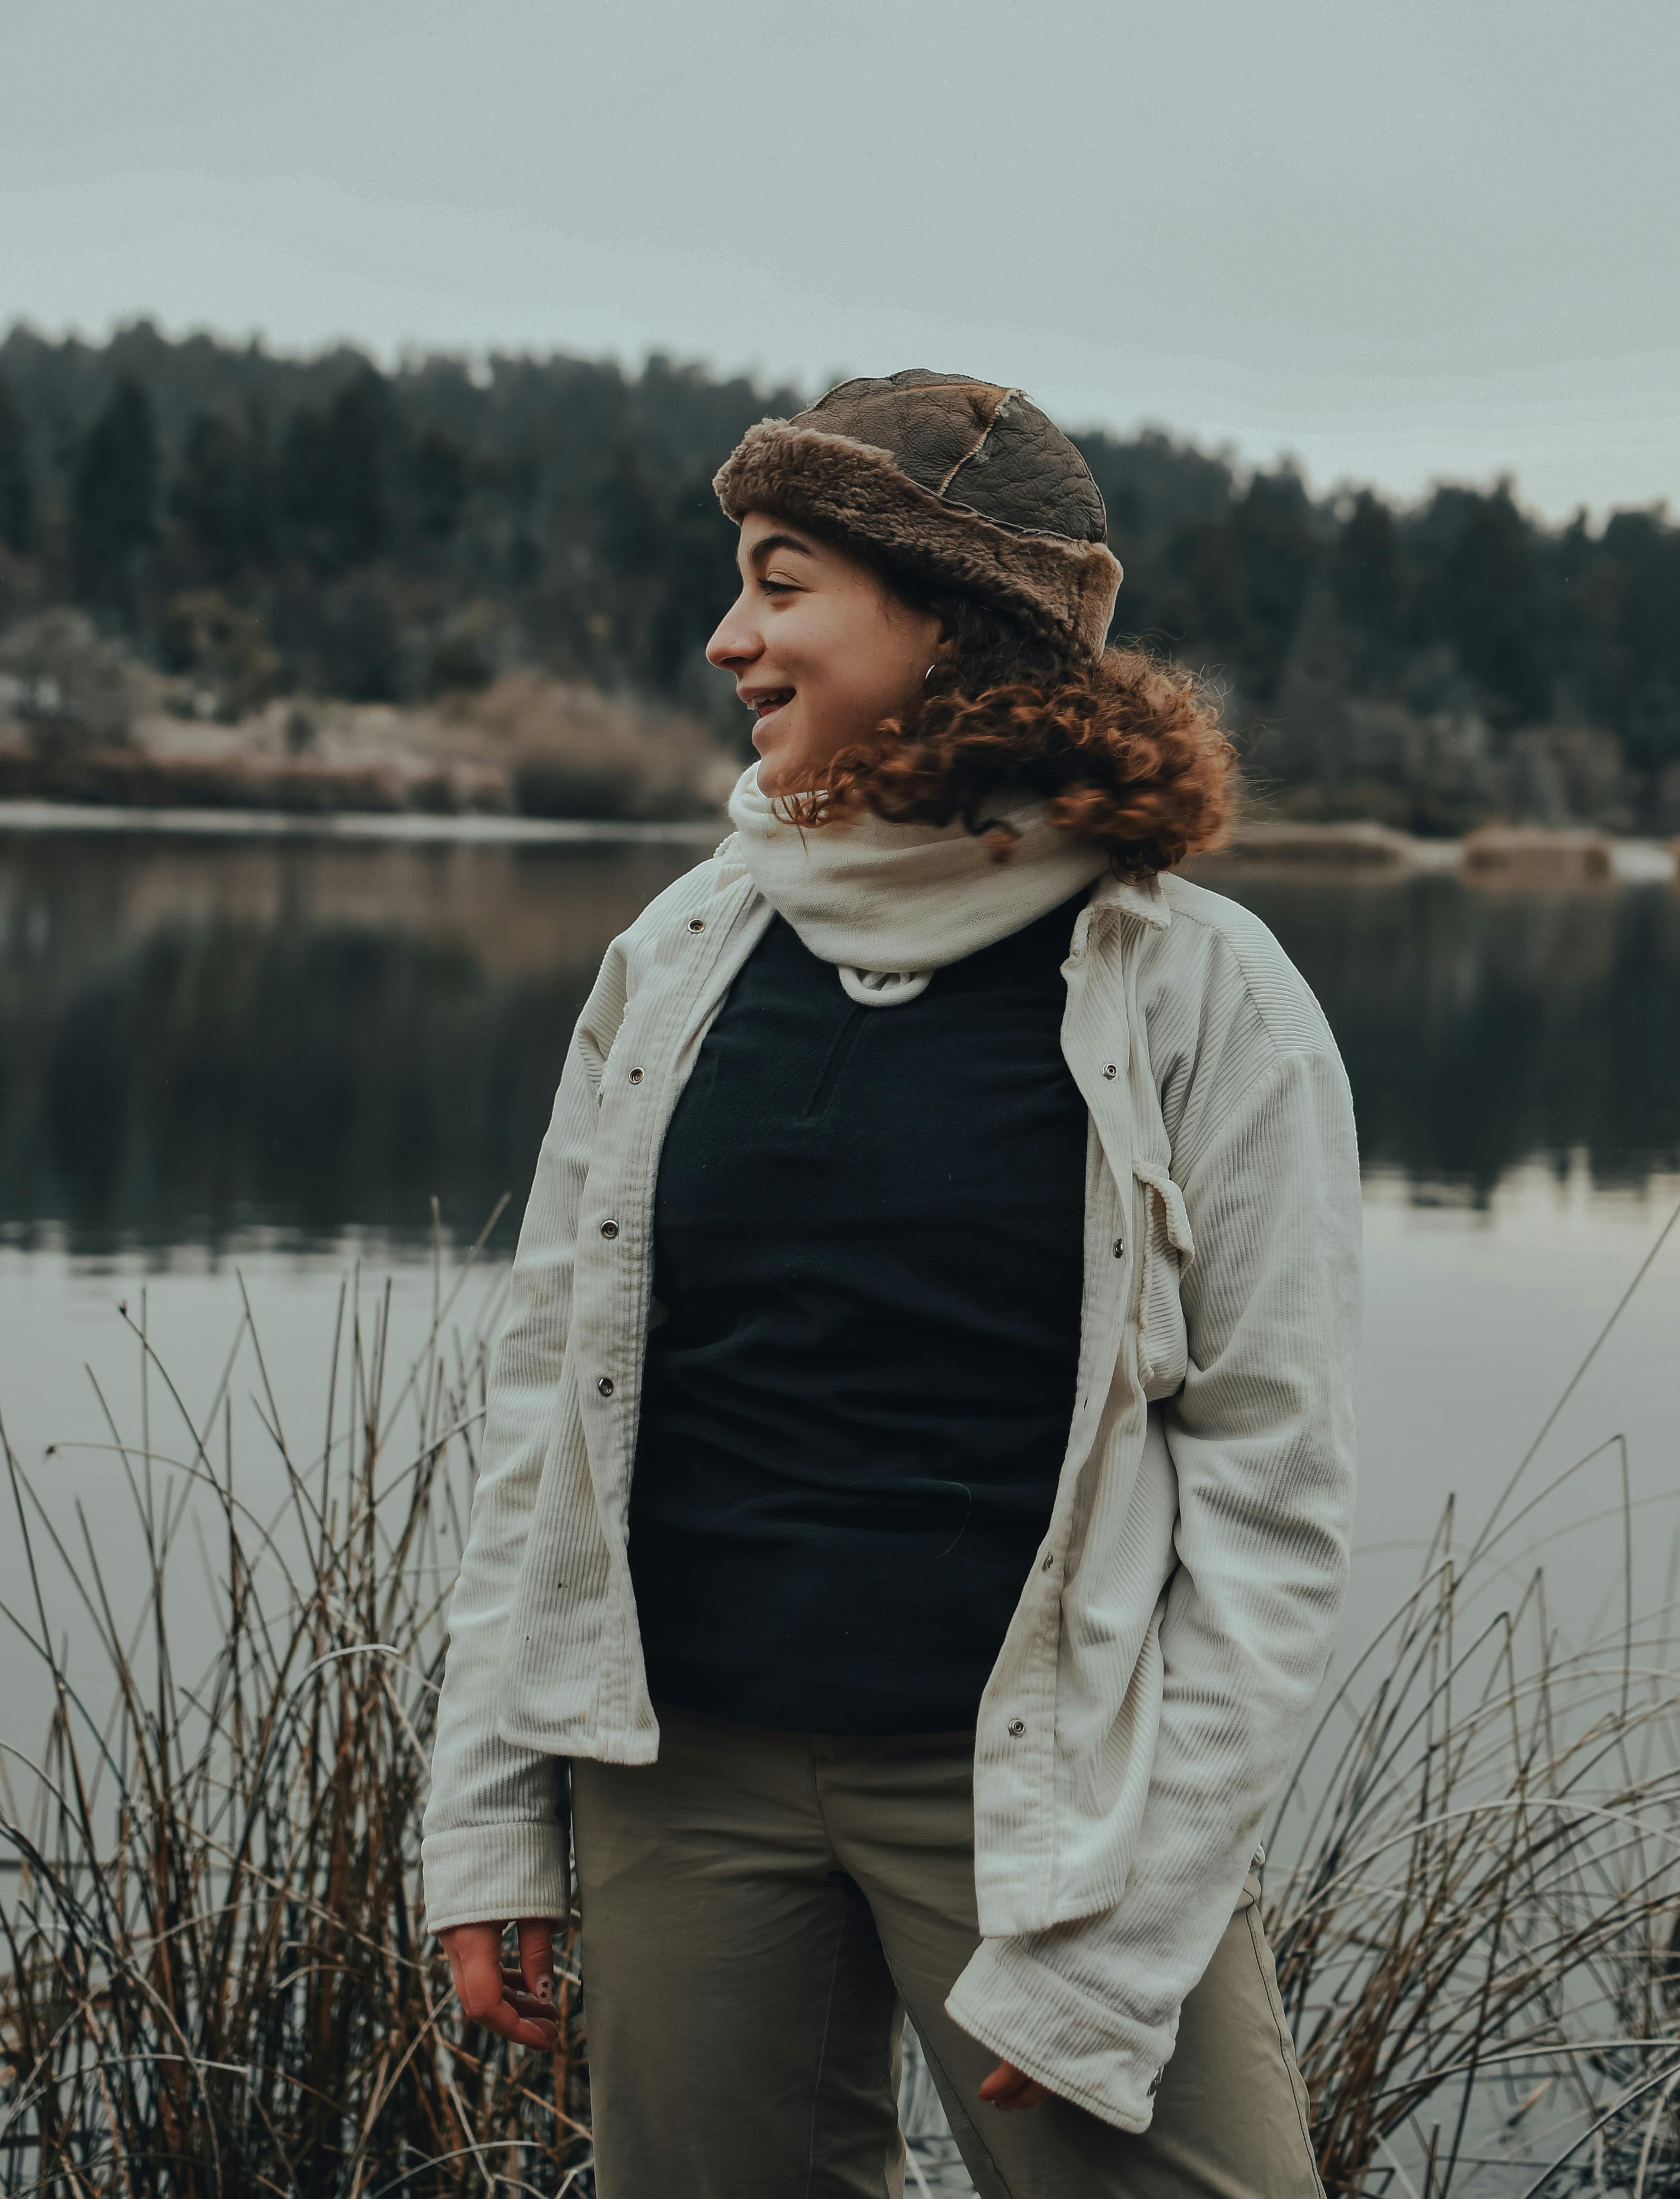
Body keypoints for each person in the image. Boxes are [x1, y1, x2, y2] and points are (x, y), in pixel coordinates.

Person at [422, 370, 1361, 2198]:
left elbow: (1273, 1501)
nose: (726, 639)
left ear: (949, 618)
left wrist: (1129, 1922)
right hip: (677, 1774)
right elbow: (546, 1400)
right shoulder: (683, 951)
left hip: (1037, 1801)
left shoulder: (1199, 992)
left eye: (782, 583)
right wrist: (489, 1822)